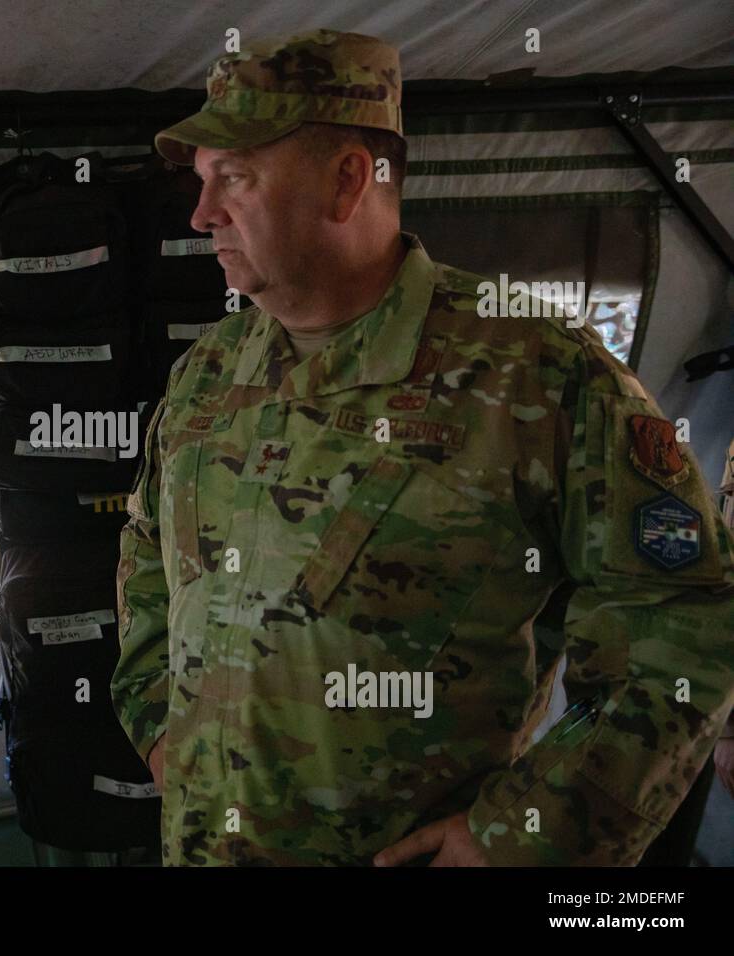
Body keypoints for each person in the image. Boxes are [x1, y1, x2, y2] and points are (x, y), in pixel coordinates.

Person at [111, 29, 734, 866]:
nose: (201, 213)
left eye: (237, 177)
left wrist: (524, 832)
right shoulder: (209, 373)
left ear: (346, 180)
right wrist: (160, 726)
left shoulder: (532, 369)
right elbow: (149, 553)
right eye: (201, 181)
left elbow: (679, 619)